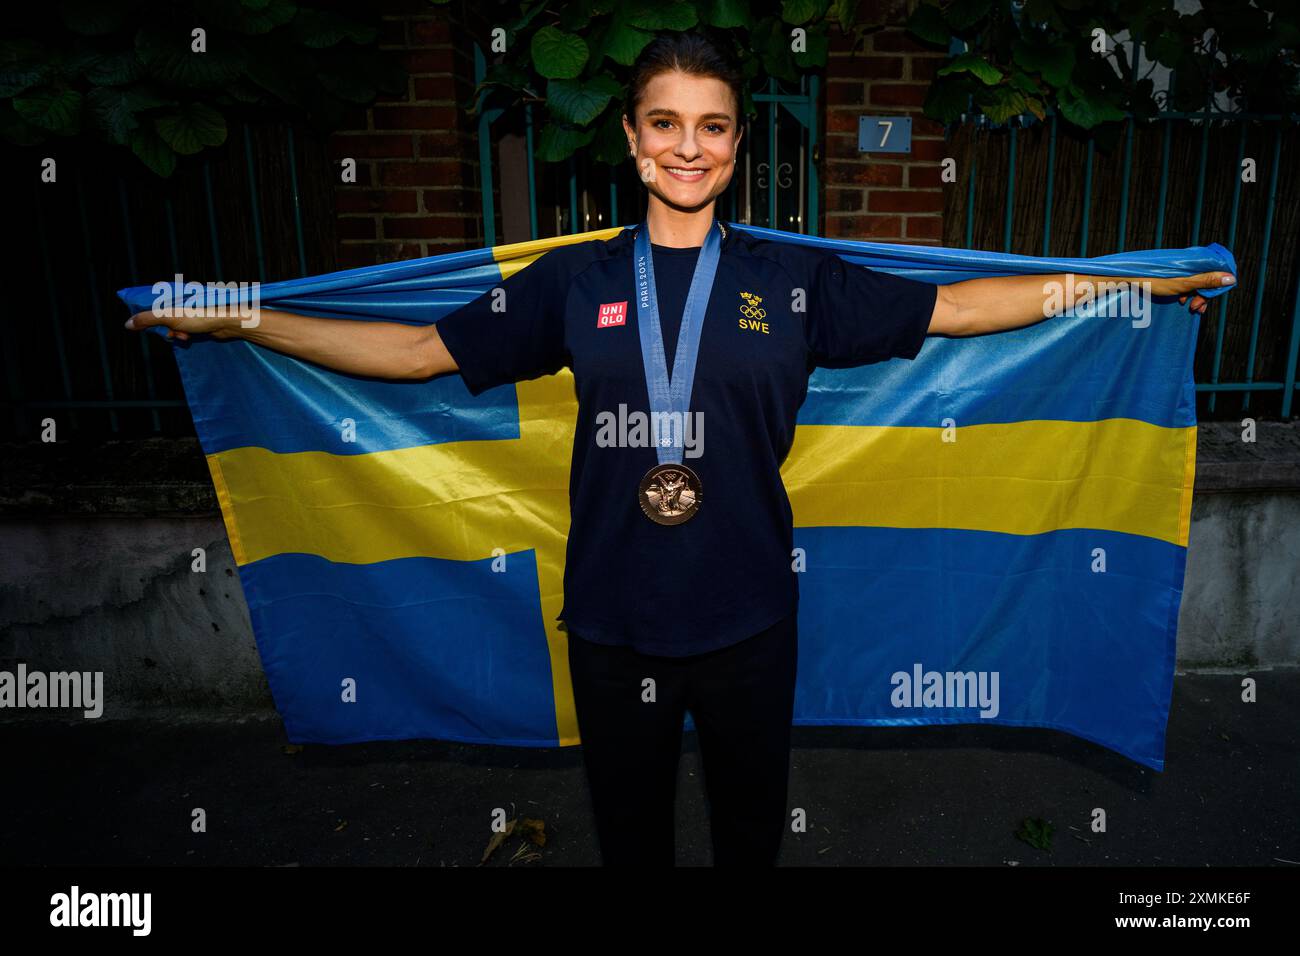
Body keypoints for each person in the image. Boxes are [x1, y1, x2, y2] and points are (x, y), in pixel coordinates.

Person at [127, 29, 1232, 866]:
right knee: (633, 841)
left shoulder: (793, 284)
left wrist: (1124, 288)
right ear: (631, 137)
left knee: (751, 838)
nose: (686, 146)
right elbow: (417, 349)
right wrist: (236, 314)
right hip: (613, 621)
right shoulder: (574, 281)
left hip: (750, 615)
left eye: (710, 125)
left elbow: (963, 308)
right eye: (664, 122)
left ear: (736, 143)